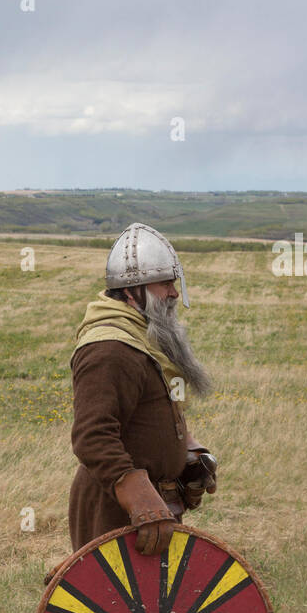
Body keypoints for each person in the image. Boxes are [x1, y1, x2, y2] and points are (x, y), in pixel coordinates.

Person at [67, 222, 218, 556]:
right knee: (115, 607)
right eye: (165, 284)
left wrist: (188, 452)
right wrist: (136, 494)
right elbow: (92, 437)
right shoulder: (109, 349)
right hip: (115, 511)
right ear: (134, 290)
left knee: (156, 608)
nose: (174, 294)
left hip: (151, 510)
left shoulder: (140, 338)